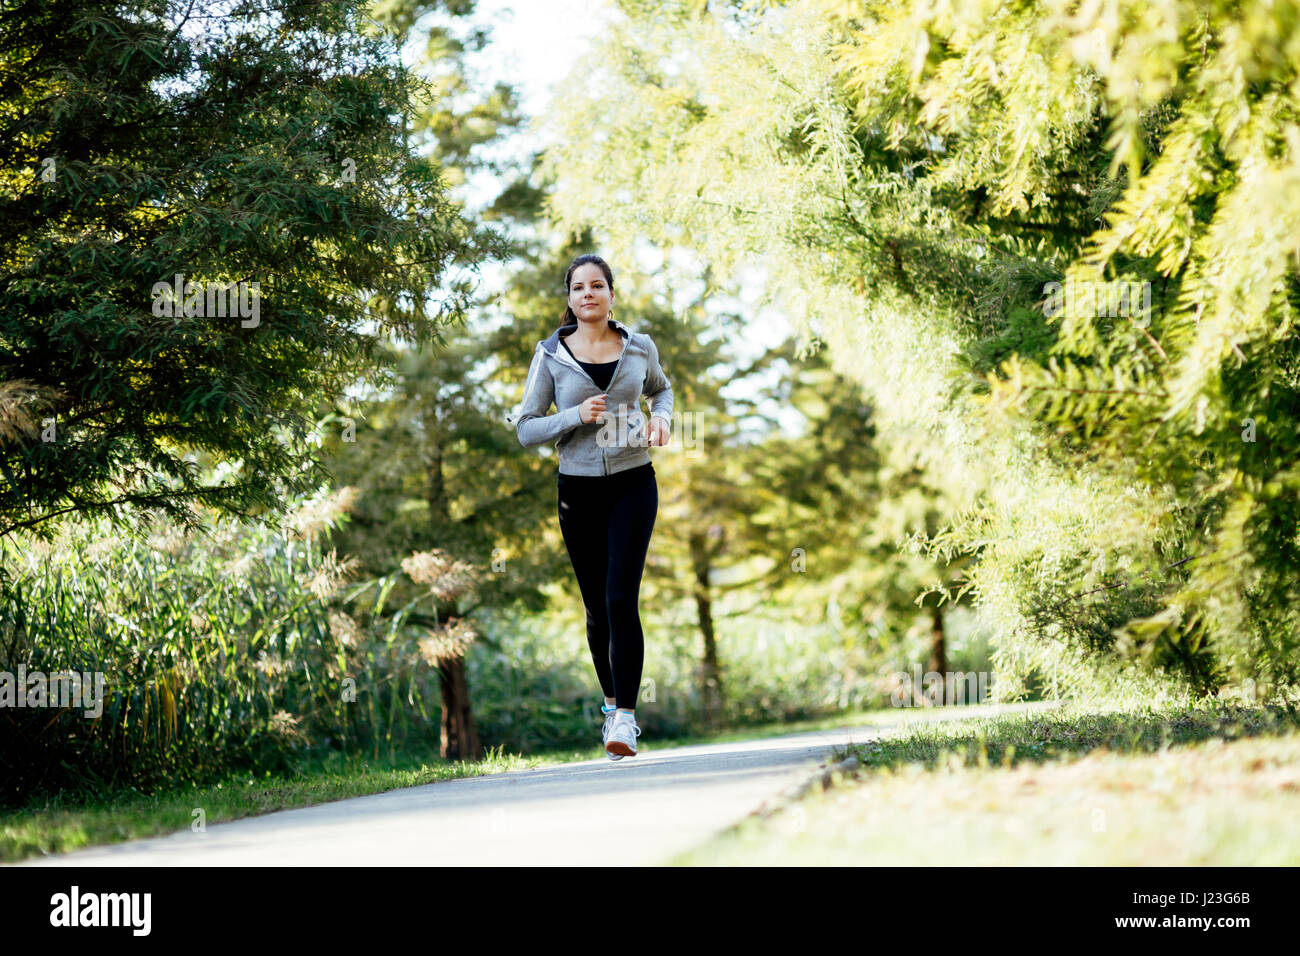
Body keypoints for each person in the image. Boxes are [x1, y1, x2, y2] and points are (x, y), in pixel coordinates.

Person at [511, 253, 674, 760]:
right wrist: (573, 416)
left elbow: (662, 391)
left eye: (597, 285)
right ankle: (610, 705)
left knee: (621, 597)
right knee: (596, 607)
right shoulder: (551, 355)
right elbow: (525, 427)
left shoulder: (638, 346)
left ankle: (626, 717)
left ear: (610, 294)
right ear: (569, 298)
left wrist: (662, 420)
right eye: (578, 287)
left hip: (632, 481)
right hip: (577, 490)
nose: (588, 293)